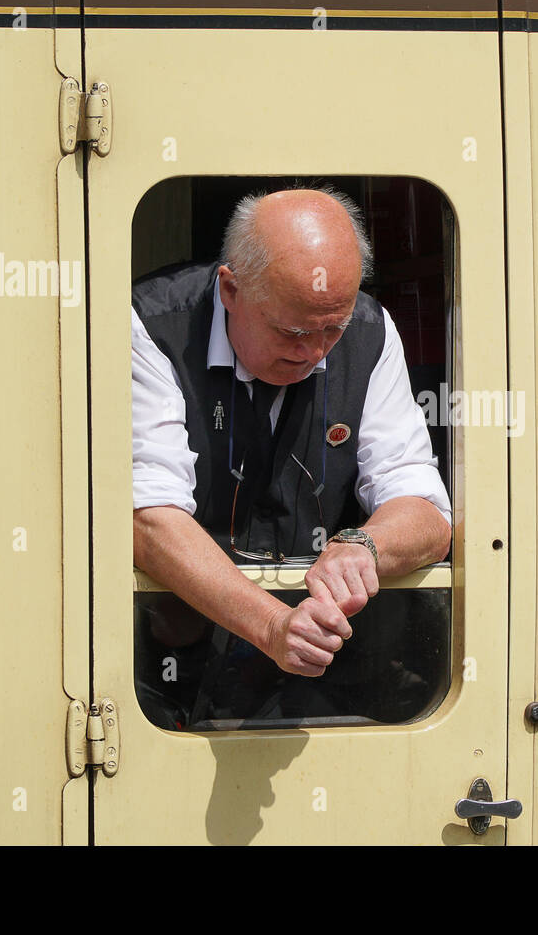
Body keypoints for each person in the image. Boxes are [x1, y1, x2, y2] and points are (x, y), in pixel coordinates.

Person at [131, 187, 452, 688]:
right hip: (169, 656)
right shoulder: (150, 325)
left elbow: (426, 511)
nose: (317, 353)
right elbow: (148, 520)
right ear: (230, 291)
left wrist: (364, 545)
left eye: (333, 329)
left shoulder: (372, 329)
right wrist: (272, 624)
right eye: (293, 332)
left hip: (325, 666)